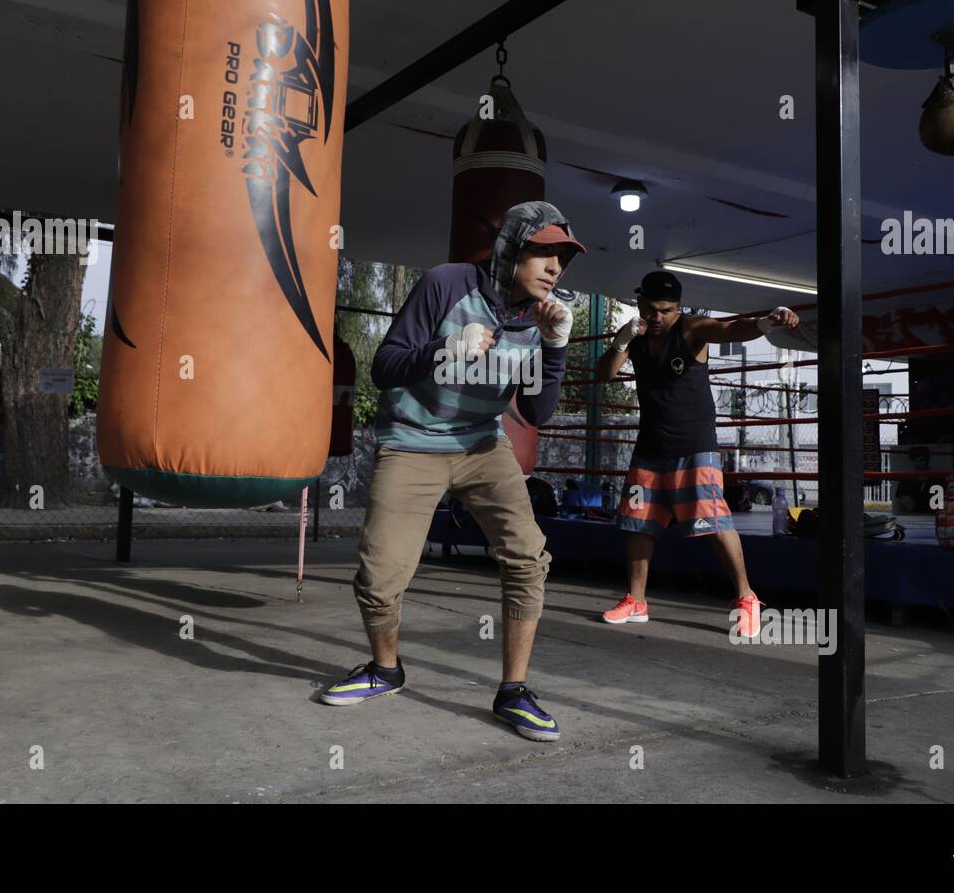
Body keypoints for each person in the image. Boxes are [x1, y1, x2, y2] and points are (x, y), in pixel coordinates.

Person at [321, 201, 583, 742]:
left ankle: (514, 690)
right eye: (543, 251)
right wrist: (446, 348)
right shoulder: (446, 284)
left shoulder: (542, 316)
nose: (555, 267)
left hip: (483, 445)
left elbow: (535, 413)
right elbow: (385, 365)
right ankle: (385, 670)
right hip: (412, 444)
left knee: (528, 557)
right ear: (511, 247)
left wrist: (555, 348)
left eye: (563, 256)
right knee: (380, 574)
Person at [594, 270, 799, 635]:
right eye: (651, 309)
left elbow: (730, 331)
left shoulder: (691, 329)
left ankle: (746, 597)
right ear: (640, 304)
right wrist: (621, 341)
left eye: (667, 310)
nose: (658, 317)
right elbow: (604, 375)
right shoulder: (638, 338)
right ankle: (637, 600)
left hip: (694, 448)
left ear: (678, 308)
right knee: (638, 524)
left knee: (715, 524)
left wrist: (768, 320)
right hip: (650, 449)